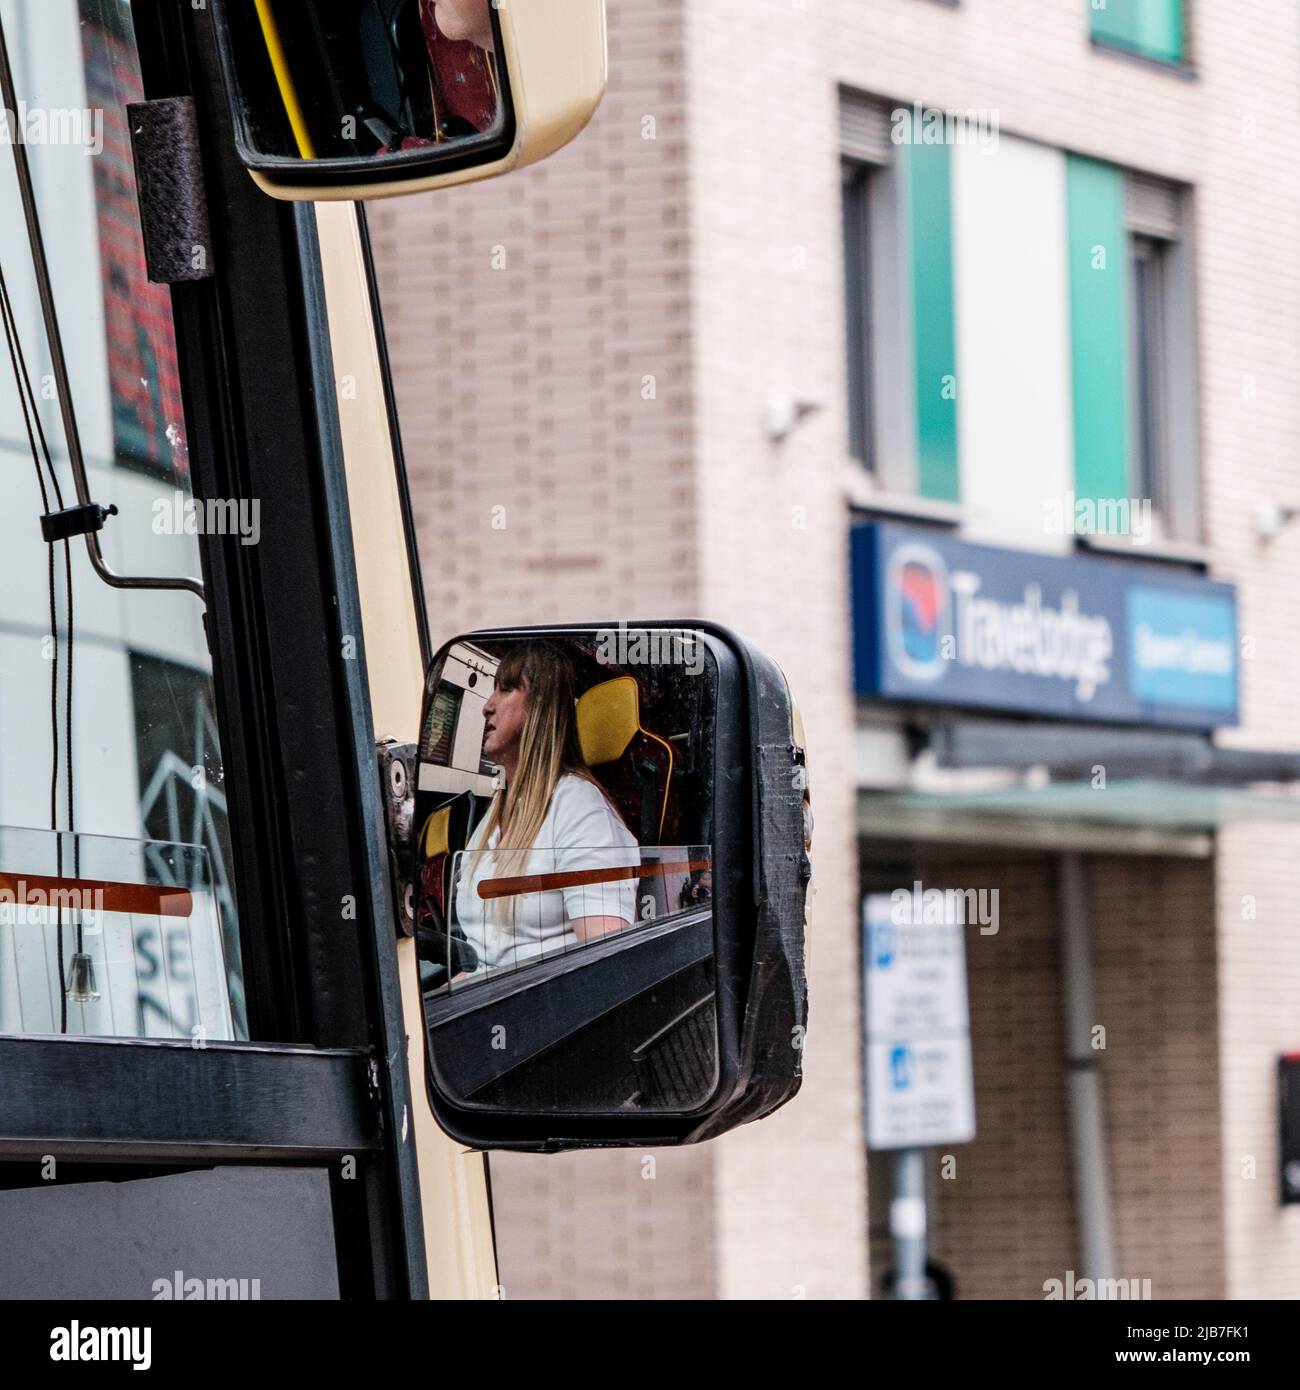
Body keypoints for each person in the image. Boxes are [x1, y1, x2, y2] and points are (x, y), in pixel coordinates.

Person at [452, 642, 640, 977]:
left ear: (541, 707)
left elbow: (605, 971)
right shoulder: (497, 811)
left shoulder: (580, 807)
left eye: (506, 689)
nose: (487, 706)